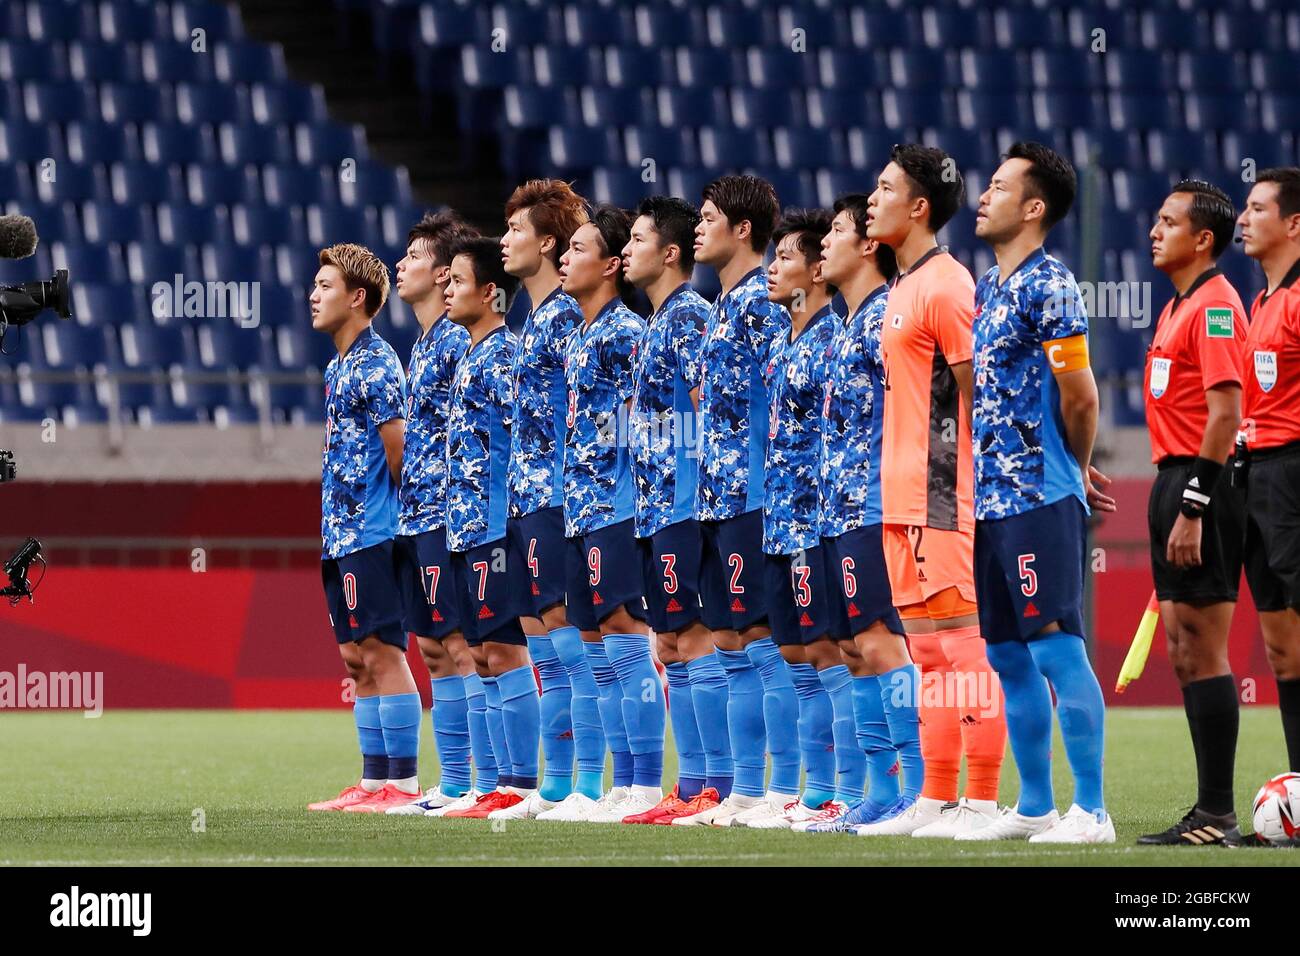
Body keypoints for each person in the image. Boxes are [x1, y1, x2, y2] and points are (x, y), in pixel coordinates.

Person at [960, 142, 1115, 843]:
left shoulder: (1052, 285)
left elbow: (1081, 398)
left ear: (1033, 207)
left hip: (1038, 496)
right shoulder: (990, 288)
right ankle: (1035, 806)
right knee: (1006, 654)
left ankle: (1092, 810)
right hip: (991, 502)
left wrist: (1074, 472)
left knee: (1054, 644)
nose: (982, 197)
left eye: (997, 187)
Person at [857, 145, 1007, 836]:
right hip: (900, 495)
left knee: (961, 649)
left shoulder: (947, 285)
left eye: (884, 189)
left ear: (919, 207)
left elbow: (980, 393)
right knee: (926, 655)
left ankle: (981, 799)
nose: (871, 199)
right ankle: (935, 797)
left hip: (943, 491)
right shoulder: (901, 287)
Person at [673, 175, 795, 827]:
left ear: (742, 229)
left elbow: (785, 399)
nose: (698, 226)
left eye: (709, 216)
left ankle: (781, 791)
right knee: (726, 639)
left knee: (762, 641)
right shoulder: (720, 304)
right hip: (715, 502)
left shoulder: (761, 303)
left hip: (754, 497)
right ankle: (746, 792)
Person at [537, 206, 662, 822]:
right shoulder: (583, 335)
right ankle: (617, 783)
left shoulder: (625, 333)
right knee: (592, 644)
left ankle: (645, 783)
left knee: (624, 633)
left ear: (611, 266)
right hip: (580, 510)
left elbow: (656, 421)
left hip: (618, 507)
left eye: (578, 249)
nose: (565, 257)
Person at [1136, 181, 1249, 845]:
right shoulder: (1176, 306)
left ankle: (1218, 815)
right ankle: (1209, 812)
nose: (1154, 230)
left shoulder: (1213, 307)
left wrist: (1196, 504)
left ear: (1202, 239)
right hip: (1171, 477)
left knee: (1202, 647)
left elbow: (1227, 415)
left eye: (1168, 221)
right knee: (1181, 648)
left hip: (1201, 486)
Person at [796, 193, 910, 834]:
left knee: (879, 642)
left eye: (838, 232)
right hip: (833, 514)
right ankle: (877, 791)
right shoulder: (849, 324)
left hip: (874, 507)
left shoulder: (885, 318)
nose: (826, 244)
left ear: (869, 246)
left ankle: (917, 789)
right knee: (851, 648)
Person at [620, 196, 734, 825]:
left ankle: (713, 784)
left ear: (669, 252)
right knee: (669, 641)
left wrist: (695, 500)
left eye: (637, 240)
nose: (626, 251)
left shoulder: (689, 317)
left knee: (693, 638)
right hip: (654, 506)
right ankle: (691, 785)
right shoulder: (658, 320)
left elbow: (704, 405)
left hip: (685, 505)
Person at [306, 243, 421, 813]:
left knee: (381, 650)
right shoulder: (338, 366)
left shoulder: (378, 363)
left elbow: (397, 452)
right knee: (355, 656)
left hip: (373, 532)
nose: (313, 295)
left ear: (357, 298)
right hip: (340, 534)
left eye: (325, 286)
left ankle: (402, 784)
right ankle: (374, 781)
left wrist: (392, 523)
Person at [437, 237, 541, 821]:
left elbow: (523, 442)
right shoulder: (470, 355)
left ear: (490, 291)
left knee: (502, 650)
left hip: (496, 528)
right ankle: (496, 781)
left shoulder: (504, 356)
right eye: (444, 280)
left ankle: (521, 785)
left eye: (457, 280)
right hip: (464, 526)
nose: (448, 290)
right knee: (478, 654)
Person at [500, 180, 593, 809]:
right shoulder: (531, 321)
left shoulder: (567, 318)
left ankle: (589, 781)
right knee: (541, 641)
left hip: (563, 499)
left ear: (548, 243)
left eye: (515, 230)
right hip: (526, 499)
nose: (504, 240)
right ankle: (556, 784)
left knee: (571, 637)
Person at [385, 211, 479, 816]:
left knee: (462, 644)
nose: (401, 263)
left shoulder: (453, 340)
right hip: (417, 517)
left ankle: (478, 779)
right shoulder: (422, 344)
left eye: (414, 253)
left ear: (442, 272)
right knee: (435, 650)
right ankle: (452, 782)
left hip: (449, 517)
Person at [1236, 167, 1300, 786]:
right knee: (1283, 649)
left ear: (1294, 223)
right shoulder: (1261, 300)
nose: (1244, 218)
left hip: (1293, 472)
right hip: (1258, 474)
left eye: (1258, 208)